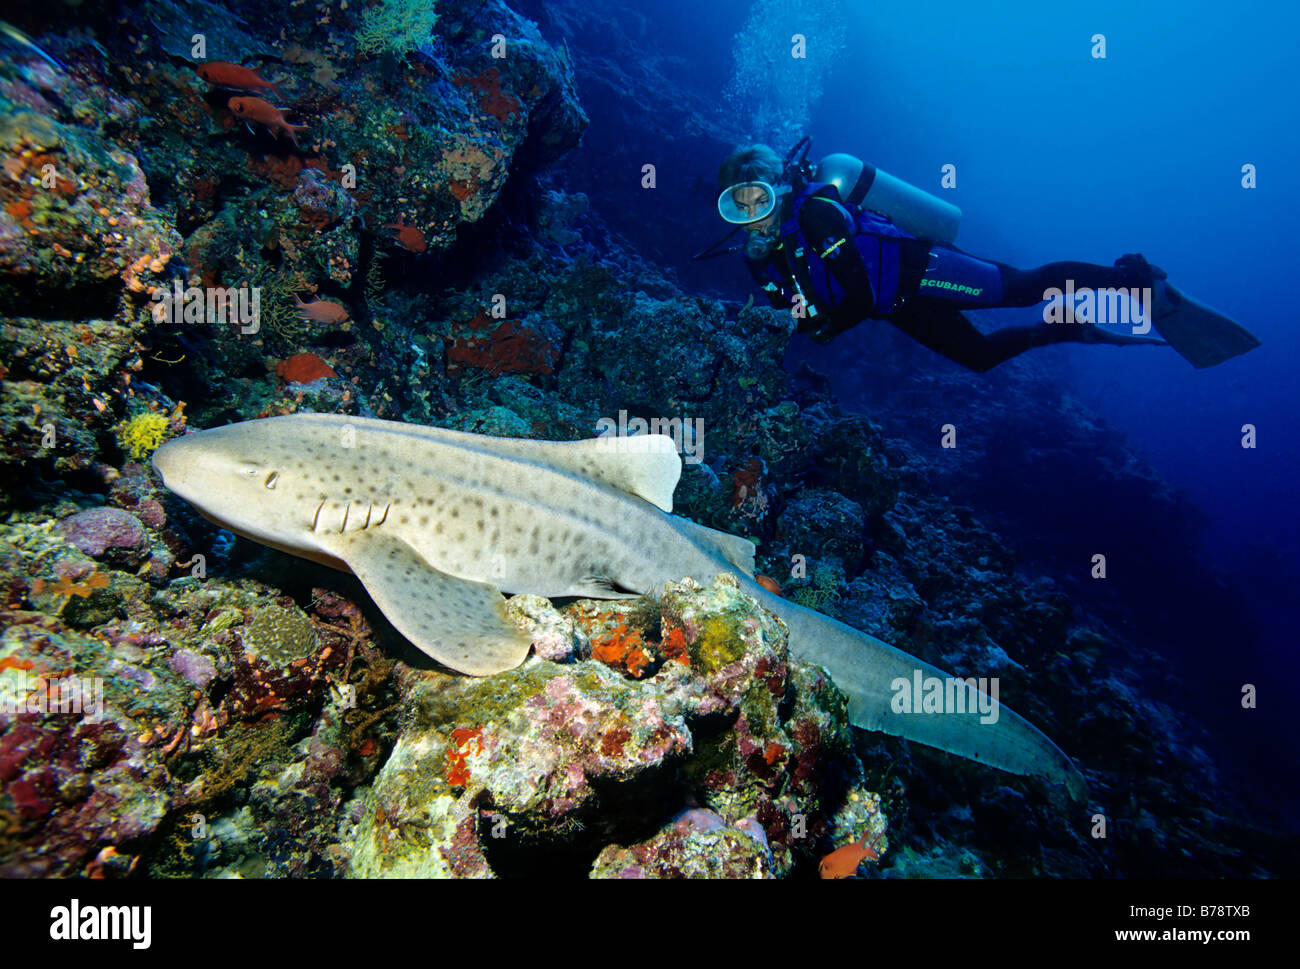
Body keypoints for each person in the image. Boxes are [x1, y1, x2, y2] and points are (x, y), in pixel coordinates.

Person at [713, 143, 1260, 371]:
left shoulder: (816, 216)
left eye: (758, 197)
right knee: (979, 360)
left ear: (779, 187)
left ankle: (1132, 277)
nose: (751, 214)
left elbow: (851, 296)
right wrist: (792, 310)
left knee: (1024, 286)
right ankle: (1069, 328)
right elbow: (794, 313)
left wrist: (826, 329)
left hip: (920, 270)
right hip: (895, 304)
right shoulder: (760, 255)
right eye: (737, 206)